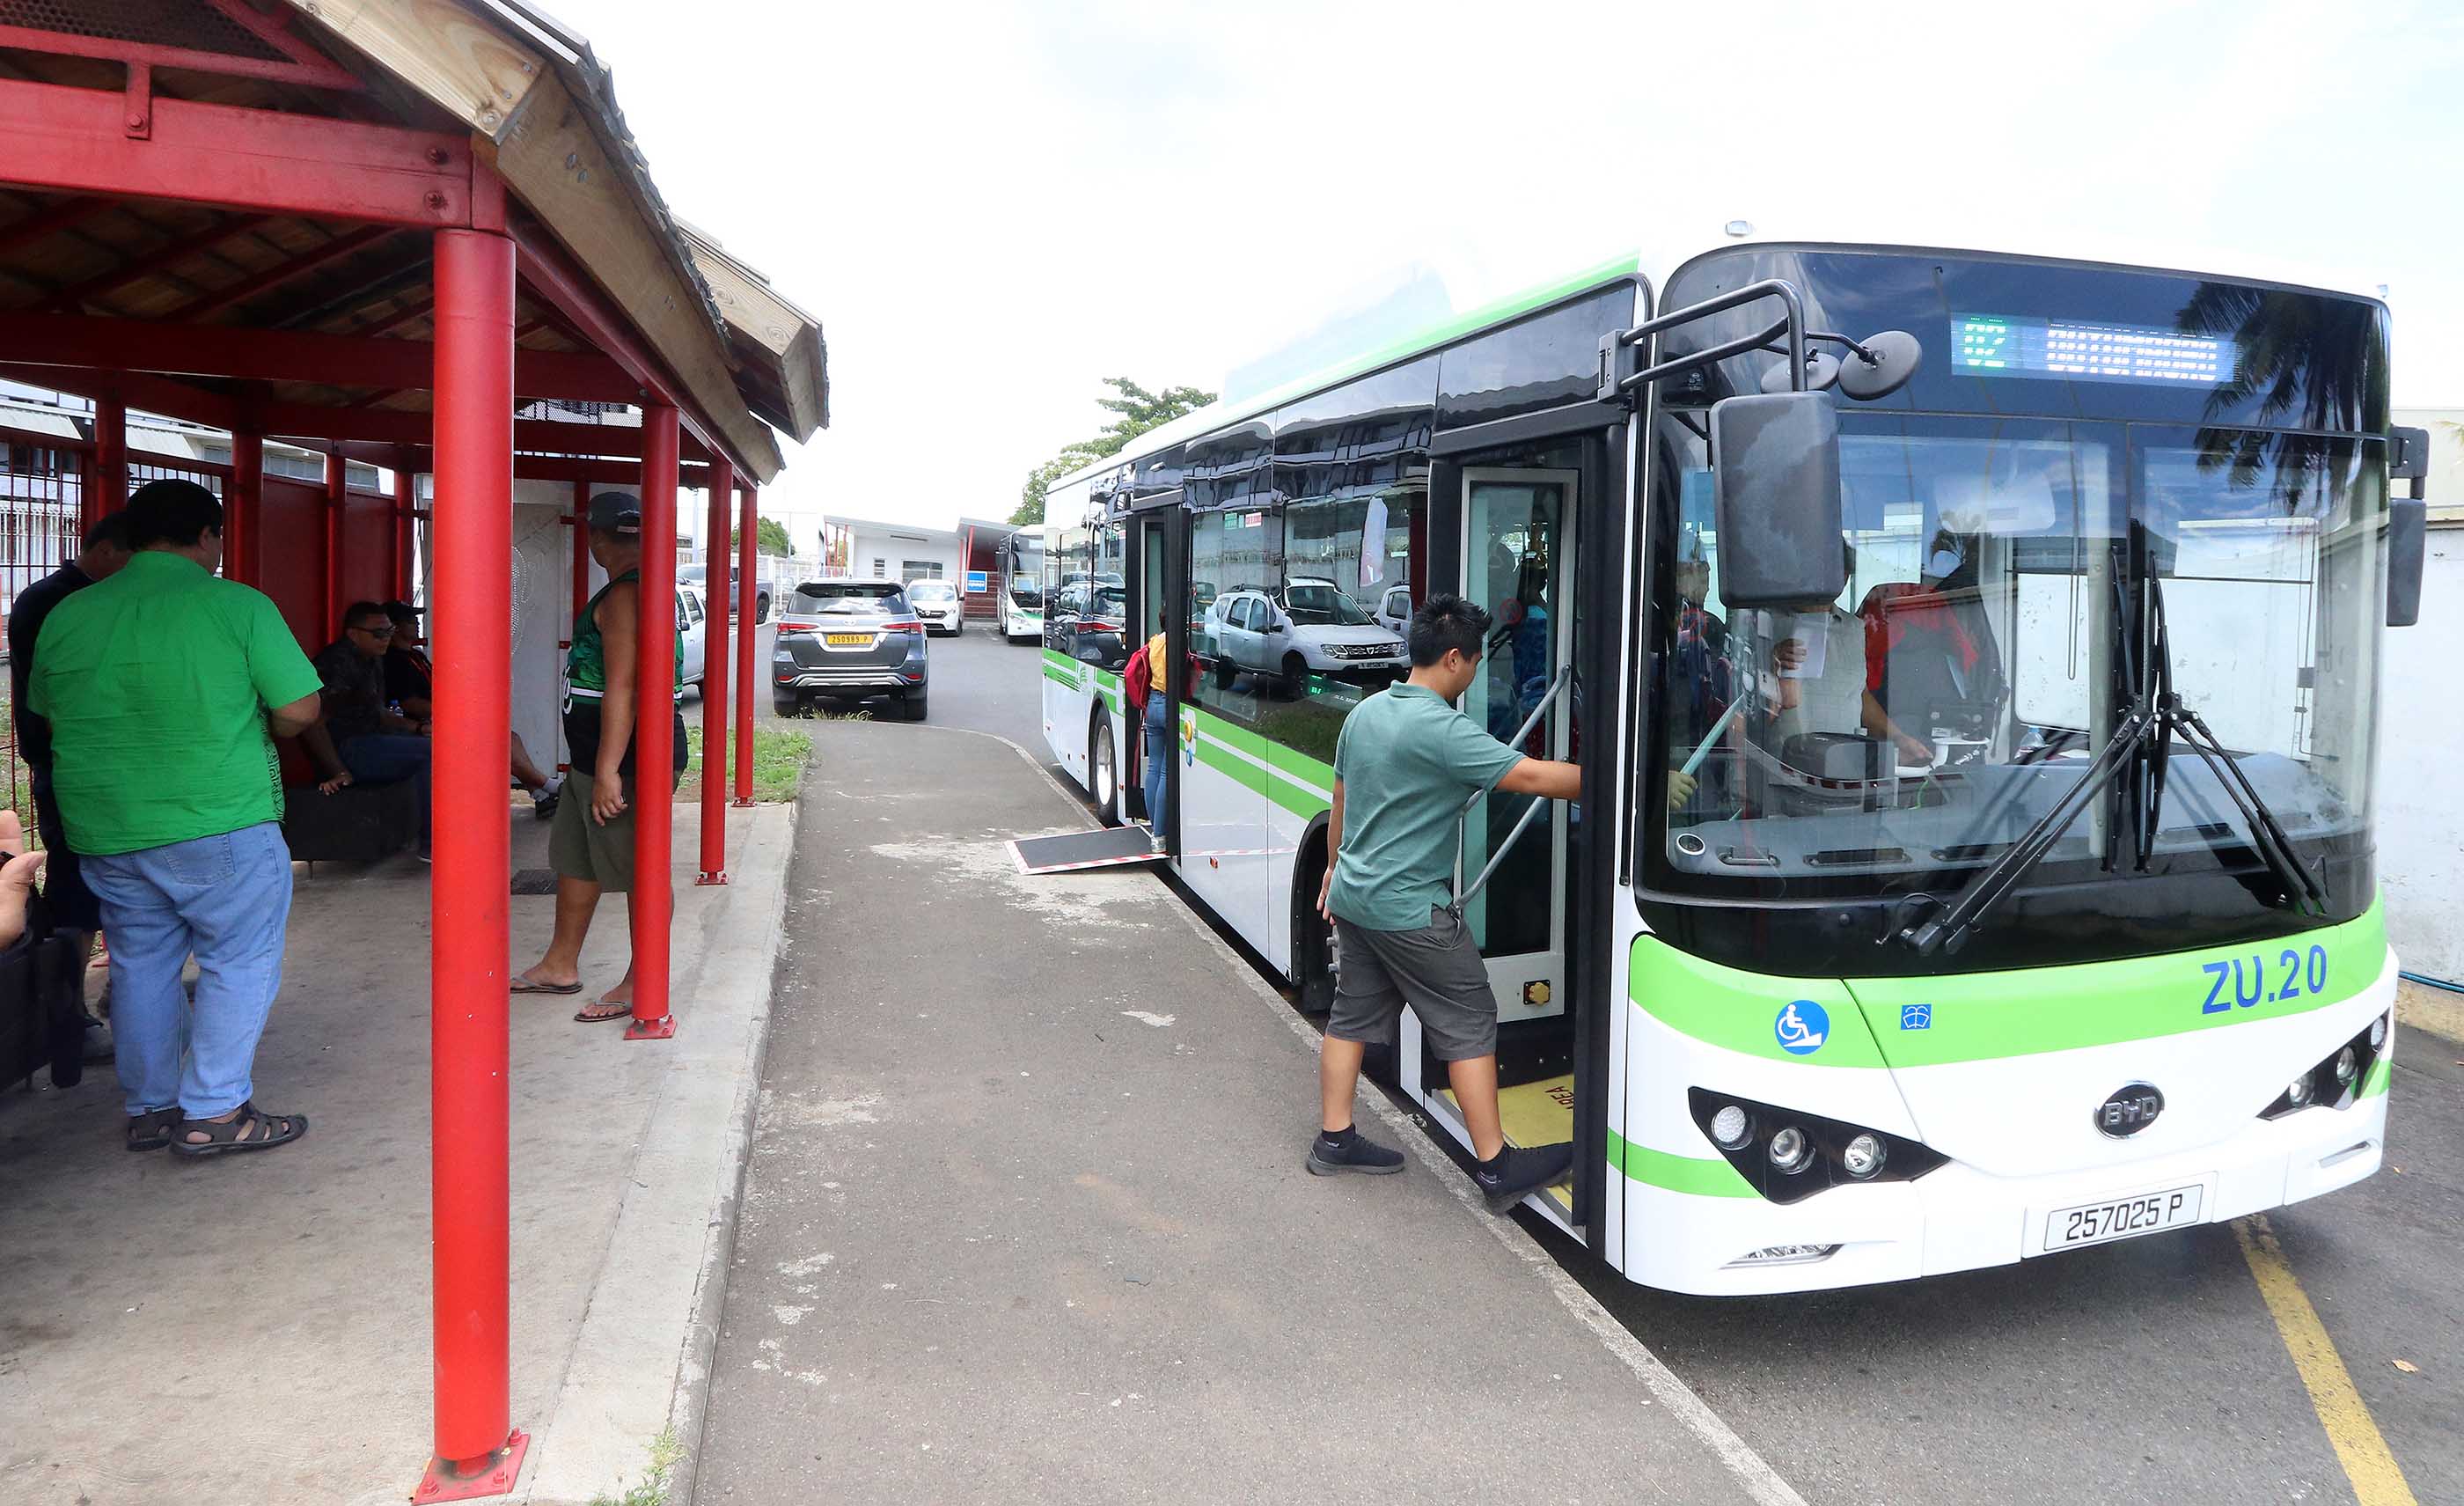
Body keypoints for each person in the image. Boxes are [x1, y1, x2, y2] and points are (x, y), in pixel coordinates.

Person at [29, 478, 324, 1156]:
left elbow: (47, 710)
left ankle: (152, 1108)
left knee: (140, 965)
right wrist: (264, 722)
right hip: (219, 818)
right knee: (238, 959)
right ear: (208, 536)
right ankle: (216, 1110)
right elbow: (300, 708)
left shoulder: (68, 614)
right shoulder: (236, 605)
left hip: (107, 826)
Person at [1308, 593, 1583, 1210]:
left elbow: (1340, 804)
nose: (1478, 671)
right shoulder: (1443, 730)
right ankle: (1497, 1167)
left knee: (1350, 1017)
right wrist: (1626, 781)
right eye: (1477, 660)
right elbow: (1532, 777)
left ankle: (1335, 1139)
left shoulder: (1365, 713)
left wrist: (1332, 870)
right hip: (1411, 912)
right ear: (1454, 658)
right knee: (1469, 1018)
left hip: (1356, 899)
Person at [510, 492, 687, 1022]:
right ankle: (559, 963)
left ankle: (642, 979)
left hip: (627, 760)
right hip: (595, 758)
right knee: (577, 858)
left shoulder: (628, 595)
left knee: (639, 866)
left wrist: (610, 770)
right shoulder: (629, 588)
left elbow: (625, 687)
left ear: (597, 540)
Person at [7, 511, 136, 1054]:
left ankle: (124, 995)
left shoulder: (73, 598)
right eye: (134, 561)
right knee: (76, 885)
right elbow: (64, 697)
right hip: (73, 768)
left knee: (115, 880)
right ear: (106, 551)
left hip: (95, 764)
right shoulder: (57, 603)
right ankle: (68, 1016)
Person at [382, 599, 560, 819]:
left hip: (440, 720)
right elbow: (410, 704)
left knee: (508, 738)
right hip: (422, 727)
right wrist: (453, 714)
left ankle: (541, 795)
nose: (417, 623)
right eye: (411, 620)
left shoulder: (416, 655)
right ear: (395, 627)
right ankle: (550, 787)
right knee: (501, 743)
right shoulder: (393, 661)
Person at [300, 600, 431, 800]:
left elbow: (376, 712)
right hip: (347, 749)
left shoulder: (372, 657)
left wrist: (419, 728)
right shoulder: (337, 664)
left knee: (437, 746)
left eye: (390, 631)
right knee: (432, 756)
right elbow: (313, 723)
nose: (386, 638)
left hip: (371, 740)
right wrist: (339, 772)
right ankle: (431, 822)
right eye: (379, 633)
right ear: (353, 634)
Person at [1139, 626, 1170, 838]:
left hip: (1153, 703)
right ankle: (1160, 834)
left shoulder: (1155, 641)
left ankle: (1153, 826)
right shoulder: (1175, 644)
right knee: (1166, 772)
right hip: (1169, 705)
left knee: (1154, 767)